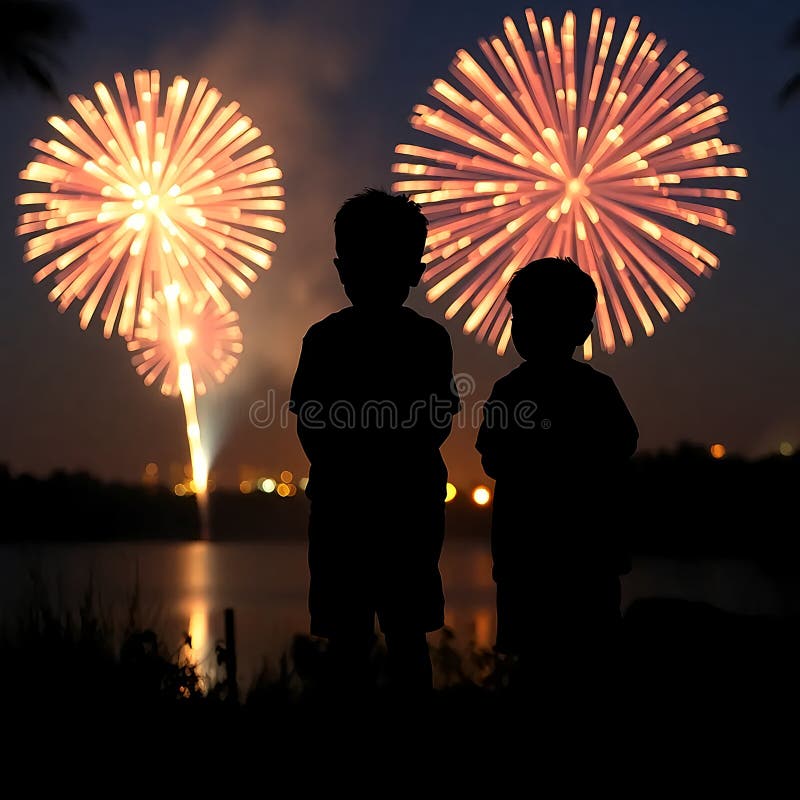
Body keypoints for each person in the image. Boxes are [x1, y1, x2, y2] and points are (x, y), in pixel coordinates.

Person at [290, 189, 459, 693]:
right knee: (409, 640)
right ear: (417, 270)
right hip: (411, 511)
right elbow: (438, 421)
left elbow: (310, 422)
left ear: (342, 268)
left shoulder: (324, 339)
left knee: (347, 641)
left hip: (342, 514)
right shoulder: (430, 340)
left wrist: (345, 460)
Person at [475, 257, 638, 680]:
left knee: (534, 666)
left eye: (521, 317)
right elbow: (623, 446)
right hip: (590, 557)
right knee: (591, 661)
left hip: (526, 558)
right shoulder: (598, 390)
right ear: (584, 331)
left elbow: (491, 457)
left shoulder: (509, 390)